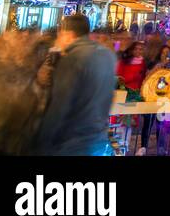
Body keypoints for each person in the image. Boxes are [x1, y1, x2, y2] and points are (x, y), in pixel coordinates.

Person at [34, 13, 117, 155]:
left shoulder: (72, 59)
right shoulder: (108, 55)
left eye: (59, 35)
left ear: (67, 34)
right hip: (99, 139)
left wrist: (41, 143)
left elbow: (59, 106)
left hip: (73, 143)